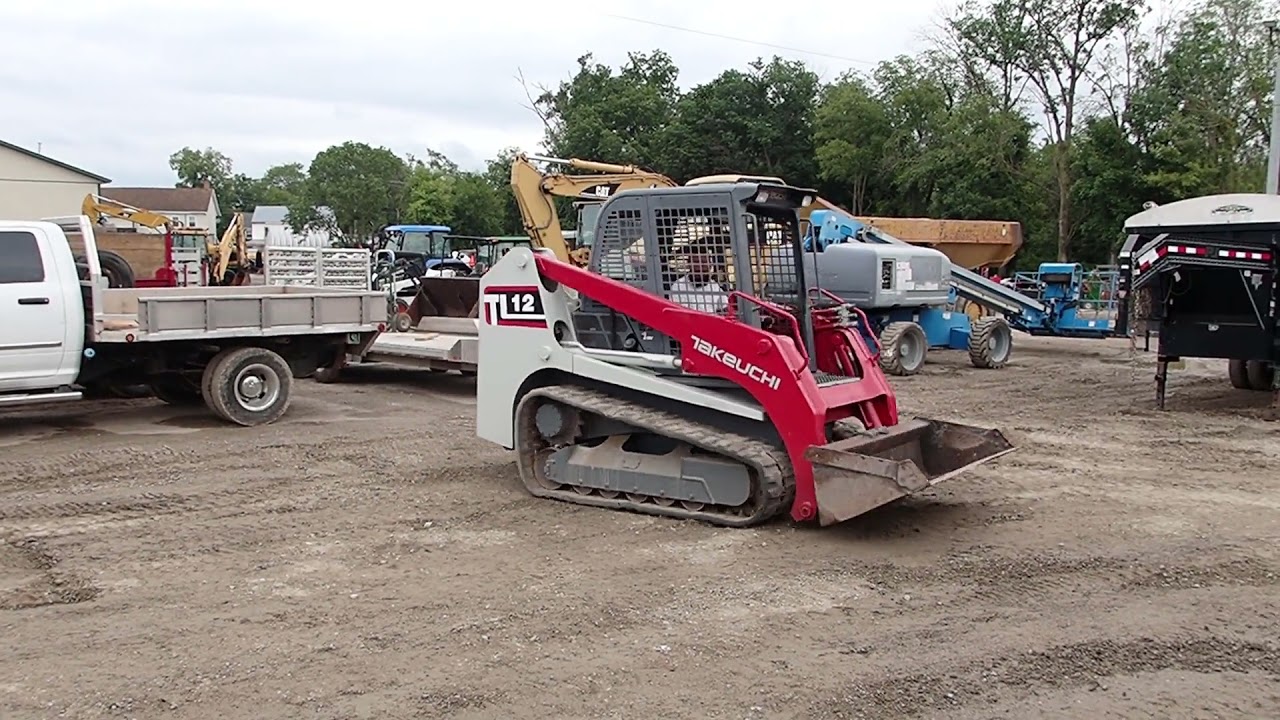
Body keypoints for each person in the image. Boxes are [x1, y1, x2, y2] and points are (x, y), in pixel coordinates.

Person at [668, 240, 730, 314]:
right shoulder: (678, 286)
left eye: (703, 262)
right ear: (689, 264)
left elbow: (726, 308)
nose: (700, 267)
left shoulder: (714, 287)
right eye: (696, 262)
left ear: (710, 266)